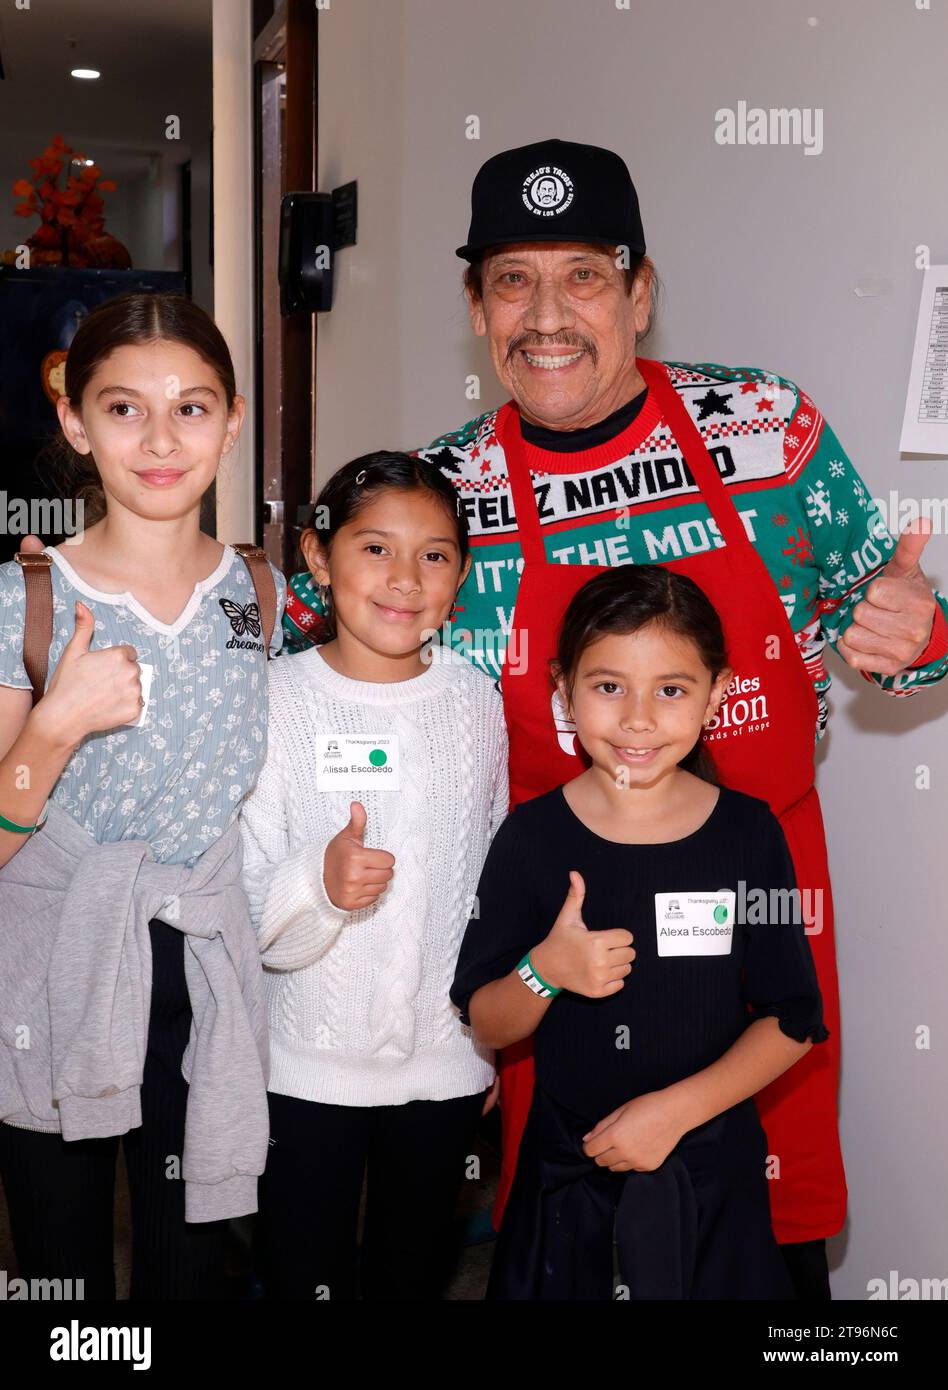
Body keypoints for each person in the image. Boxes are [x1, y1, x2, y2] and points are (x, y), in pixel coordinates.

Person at [281, 139, 948, 1298]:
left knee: (761, 1249)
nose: (547, 314)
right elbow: (300, 647)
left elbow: (897, 629)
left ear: (641, 290)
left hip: (757, 902)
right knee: (571, 1243)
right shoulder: (445, 499)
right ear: (476, 306)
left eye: (584, 274)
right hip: (555, 921)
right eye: (511, 279)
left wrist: (921, 631)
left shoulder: (766, 433)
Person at [0, 292, 286, 1299]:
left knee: (188, 1265)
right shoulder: (25, 599)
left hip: (203, 974)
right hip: (58, 972)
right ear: (75, 421)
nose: (161, 439)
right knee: (60, 1277)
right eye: (124, 409)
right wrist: (53, 724)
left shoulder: (262, 587)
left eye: (193, 408)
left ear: (234, 418)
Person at [452, 564, 829, 1300]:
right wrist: (546, 971)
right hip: (568, 1173)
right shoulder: (531, 837)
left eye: (672, 690)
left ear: (717, 694)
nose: (638, 719)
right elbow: (485, 1016)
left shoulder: (749, 835)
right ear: (563, 688)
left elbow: (794, 1019)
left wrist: (672, 1114)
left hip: (711, 1169)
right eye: (608, 686)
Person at [239, 452, 508, 1300]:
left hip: (445, 1066)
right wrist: (320, 883)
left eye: (433, 555)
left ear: (461, 573)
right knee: (301, 1271)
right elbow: (246, 906)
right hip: (303, 1069)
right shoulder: (277, 700)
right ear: (320, 557)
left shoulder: (477, 702)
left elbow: (488, 882)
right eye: (375, 549)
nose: (405, 579)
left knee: (415, 1272)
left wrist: (488, 1045)